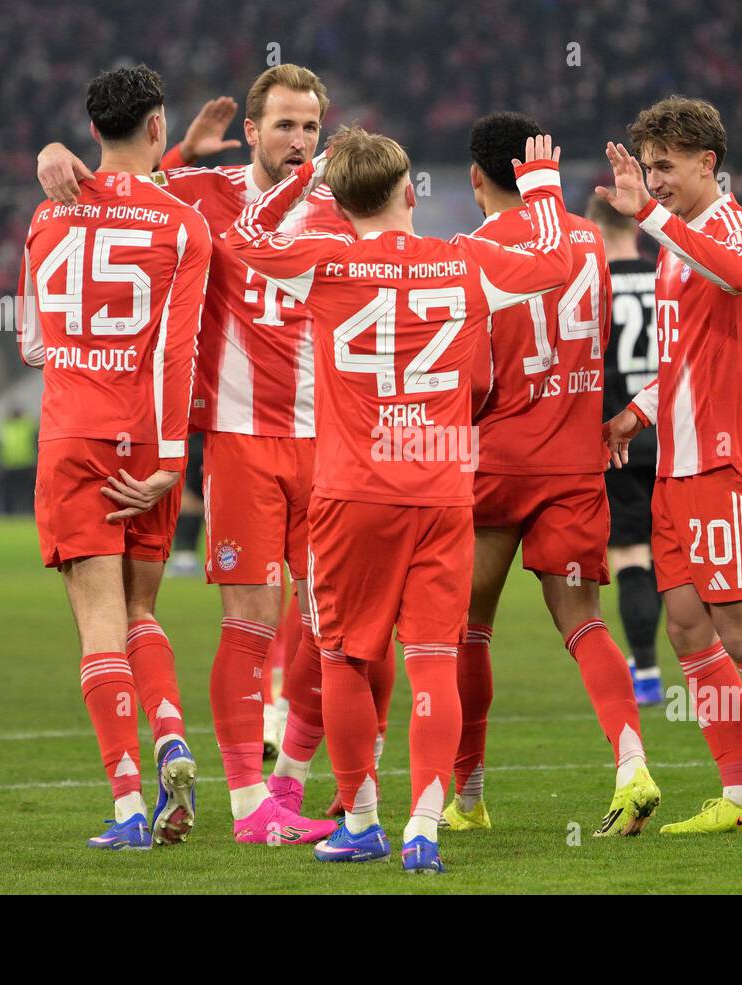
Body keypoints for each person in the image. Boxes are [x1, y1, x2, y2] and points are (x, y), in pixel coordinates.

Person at [224, 126, 573, 872]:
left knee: (344, 657)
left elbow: (242, 234)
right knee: (434, 661)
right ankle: (425, 821)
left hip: (353, 494)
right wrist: (543, 185)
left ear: (339, 201)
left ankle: (361, 817)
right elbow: (558, 263)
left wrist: (298, 177)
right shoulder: (464, 259)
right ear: (412, 192)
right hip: (443, 489)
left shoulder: (322, 262)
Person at [36, 66, 356, 845]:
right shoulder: (205, 198)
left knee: (332, 625)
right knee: (252, 620)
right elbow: (129, 189)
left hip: (331, 438)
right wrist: (63, 154)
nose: (299, 140)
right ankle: (252, 803)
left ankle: (292, 780)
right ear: (252, 130)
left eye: (311, 126)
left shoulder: (343, 204)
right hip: (241, 436)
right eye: (284, 124)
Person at [602, 96, 742, 836]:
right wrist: (639, 408)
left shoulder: (736, 227)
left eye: (666, 166)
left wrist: (649, 217)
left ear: (708, 163)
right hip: (678, 466)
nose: (655, 180)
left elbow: (735, 275)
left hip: (733, 462)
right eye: (649, 167)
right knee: (690, 628)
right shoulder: (674, 246)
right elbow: (683, 357)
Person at [442, 112, 661, 838]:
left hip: (498, 460)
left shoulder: (471, 250)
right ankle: (631, 762)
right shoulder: (589, 239)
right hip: (575, 456)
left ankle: (468, 794)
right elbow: (597, 343)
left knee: (471, 629)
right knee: (584, 622)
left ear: (477, 177)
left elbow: (471, 375)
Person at [18, 65, 211, 850]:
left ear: (92, 130)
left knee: (97, 622)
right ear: (158, 127)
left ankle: (130, 806)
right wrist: (172, 457)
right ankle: (171, 734)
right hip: (147, 445)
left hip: (74, 436)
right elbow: (180, 350)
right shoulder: (183, 226)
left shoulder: (44, 218)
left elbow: (32, 344)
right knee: (140, 613)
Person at [587, 192, 665, 705]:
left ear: (594, 228)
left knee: (632, 554)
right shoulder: (666, 276)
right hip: (673, 434)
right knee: (675, 554)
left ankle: (647, 671)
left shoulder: (596, 286)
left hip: (620, 436)